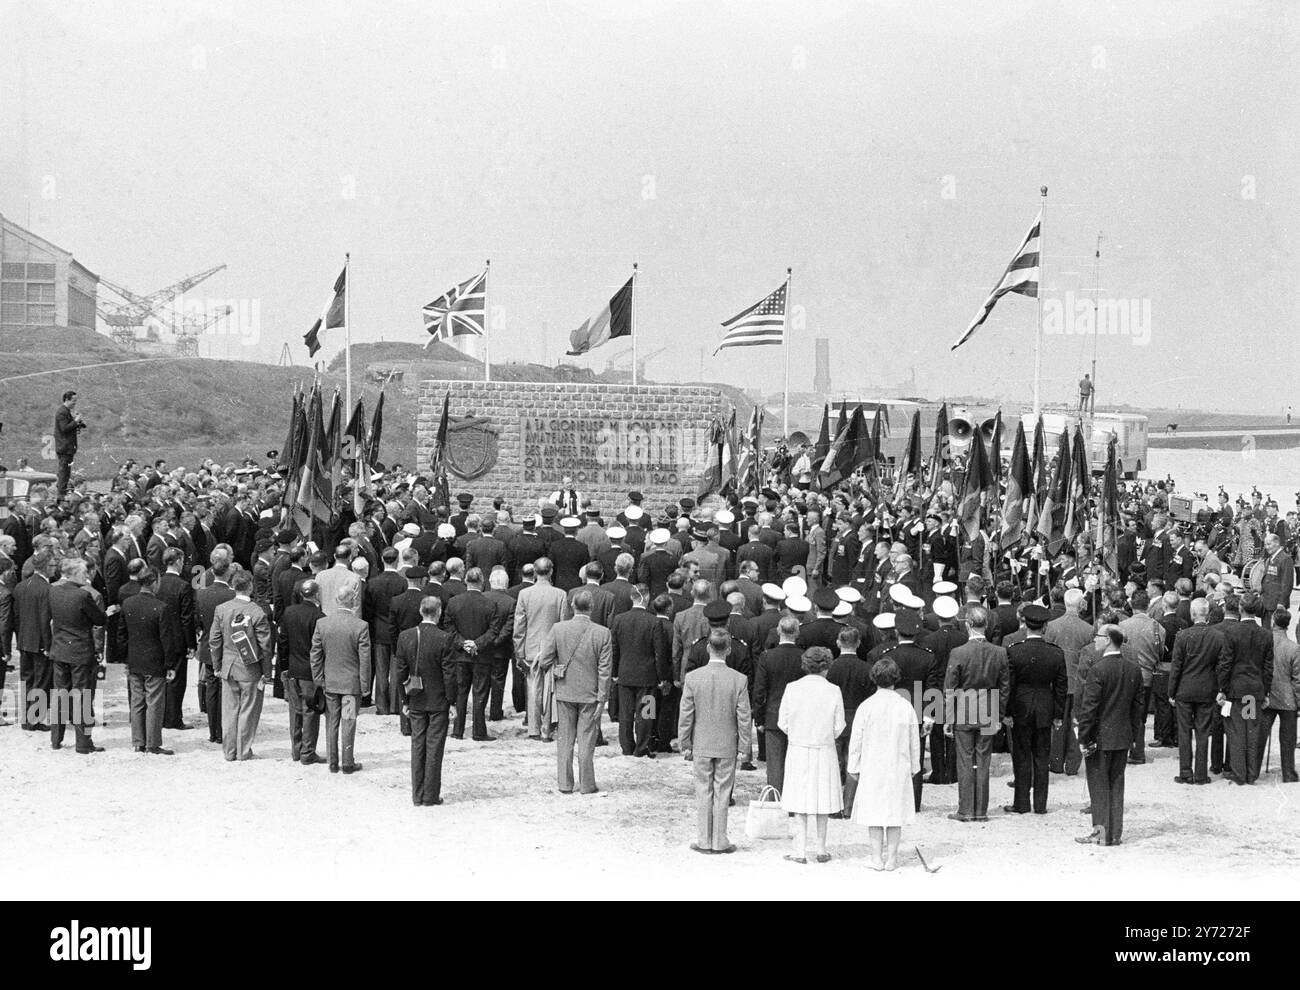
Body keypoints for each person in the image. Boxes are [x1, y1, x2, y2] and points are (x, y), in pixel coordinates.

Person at [678, 628, 752, 855]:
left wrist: (685, 743)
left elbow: (686, 713)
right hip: (727, 745)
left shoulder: (692, 678)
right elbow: (744, 717)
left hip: (701, 743)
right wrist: (744, 747)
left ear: (708, 647)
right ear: (728, 650)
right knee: (723, 791)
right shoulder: (739, 680)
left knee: (703, 790)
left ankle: (703, 839)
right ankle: (720, 840)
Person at [846, 657, 921, 871]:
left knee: (874, 812)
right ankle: (893, 858)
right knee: (895, 812)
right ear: (896, 678)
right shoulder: (905, 706)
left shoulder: (866, 707)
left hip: (872, 766)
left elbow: (856, 740)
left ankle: (876, 857)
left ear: (874, 678)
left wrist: (853, 766)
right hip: (898, 765)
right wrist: (915, 766)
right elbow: (913, 740)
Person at [1076, 624, 1145, 846]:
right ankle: (1115, 833)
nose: (1094, 640)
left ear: (1107, 639)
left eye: (1097, 636)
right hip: (1123, 737)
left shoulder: (1098, 669)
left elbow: (1090, 709)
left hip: (1100, 738)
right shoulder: (1133, 669)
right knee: (1116, 785)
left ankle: (1101, 833)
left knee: (1098, 787)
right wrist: (1134, 735)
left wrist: (1084, 738)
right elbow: (1138, 708)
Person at [777, 646, 844, 864]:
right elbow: (839, 726)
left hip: (798, 749)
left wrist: (798, 734)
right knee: (822, 799)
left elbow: (783, 722)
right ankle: (822, 849)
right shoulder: (833, 690)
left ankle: (799, 851)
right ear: (827, 666)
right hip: (824, 750)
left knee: (800, 801)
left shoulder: (792, 688)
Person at [944, 606, 1010, 823]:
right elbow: (1004, 687)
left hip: (964, 710)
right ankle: (981, 810)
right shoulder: (999, 652)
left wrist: (949, 717)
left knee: (965, 760)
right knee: (983, 760)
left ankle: (966, 810)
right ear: (987, 626)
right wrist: (999, 715)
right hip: (988, 709)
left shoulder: (958, 652)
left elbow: (950, 688)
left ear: (968, 625)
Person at [1003, 604, 1067, 815]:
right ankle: (1040, 804)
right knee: (1042, 756)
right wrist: (1058, 714)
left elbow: (1009, 686)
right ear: (1045, 626)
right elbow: (1061, 686)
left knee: (1021, 757)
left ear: (1025, 623)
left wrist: (1008, 712)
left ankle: (1021, 803)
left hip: (1021, 707)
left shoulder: (1014, 651)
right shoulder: (1055, 653)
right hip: (1045, 707)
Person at [394, 596, 458, 806]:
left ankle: (417, 794)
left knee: (417, 745)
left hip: (415, 698)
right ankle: (430, 795)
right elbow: (449, 674)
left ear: (421, 611)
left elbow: (400, 672)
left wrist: (404, 700)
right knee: (434, 747)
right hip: (438, 700)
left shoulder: (405, 636)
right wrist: (452, 702)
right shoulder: (445, 638)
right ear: (438, 612)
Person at [547, 590, 612, 794]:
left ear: (572, 606)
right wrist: (602, 697)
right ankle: (587, 784)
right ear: (592, 608)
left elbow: (544, 660)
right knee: (586, 741)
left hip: (565, 691)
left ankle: (565, 784)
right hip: (590, 694)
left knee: (565, 740)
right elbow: (605, 670)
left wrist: (557, 667)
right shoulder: (603, 633)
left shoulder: (558, 629)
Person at [208, 570, 273, 761]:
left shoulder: (221, 609)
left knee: (229, 711)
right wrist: (267, 672)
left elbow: (214, 640)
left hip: (228, 666)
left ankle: (229, 751)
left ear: (233, 586)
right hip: (251, 668)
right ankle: (243, 750)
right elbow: (266, 647)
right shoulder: (257, 612)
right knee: (249, 710)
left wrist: (217, 665)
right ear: (250, 586)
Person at [310, 582, 371, 774]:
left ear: (337, 601)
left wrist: (319, 679)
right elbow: (365, 659)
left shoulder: (323, 623)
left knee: (332, 721)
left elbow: (315, 654)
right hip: (351, 685)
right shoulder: (360, 626)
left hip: (331, 682)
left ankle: (332, 762)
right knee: (348, 721)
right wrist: (365, 684)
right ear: (354, 601)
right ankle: (347, 761)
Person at [47, 556, 106, 753]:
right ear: (73, 574)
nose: (86, 576)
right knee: (82, 696)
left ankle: (56, 739)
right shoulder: (82, 596)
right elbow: (99, 618)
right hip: (80, 651)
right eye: (83, 573)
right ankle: (83, 743)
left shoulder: (53, 591)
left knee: (59, 694)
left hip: (60, 649)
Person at [121, 567, 182, 755]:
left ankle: (138, 742)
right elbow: (166, 640)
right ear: (155, 581)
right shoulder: (161, 607)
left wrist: (125, 660)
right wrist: (170, 665)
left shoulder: (128, 603)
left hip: (134, 660)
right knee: (154, 702)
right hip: (155, 662)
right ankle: (153, 743)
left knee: (137, 702)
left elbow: (121, 635)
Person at [1216, 593, 1273, 784]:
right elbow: (1267, 667)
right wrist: (1265, 691)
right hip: (1254, 691)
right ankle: (1251, 773)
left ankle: (1239, 774)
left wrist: (1222, 688)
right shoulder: (1266, 634)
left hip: (1236, 690)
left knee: (1237, 732)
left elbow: (1225, 664)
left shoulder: (1232, 633)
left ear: (1240, 608)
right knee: (1252, 732)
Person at [609, 583, 671, 757]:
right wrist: (661, 677)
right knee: (646, 713)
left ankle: (627, 747)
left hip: (625, 674)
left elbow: (614, 649)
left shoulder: (619, 620)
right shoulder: (654, 621)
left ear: (631, 597)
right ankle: (642, 746)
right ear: (648, 597)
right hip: (648, 677)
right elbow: (659, 653)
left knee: (625, 714)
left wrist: (614, 673)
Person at [513, 557, 567, 742]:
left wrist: (519, 652)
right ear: (551, 571)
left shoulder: (524, 594)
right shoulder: (560, 594)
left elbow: (519, 627)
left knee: (533, 688)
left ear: (535, 572)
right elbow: (562, 624)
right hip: (552, 647)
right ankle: (547, 729)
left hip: (532, 647)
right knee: (551, 690)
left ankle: (534, 729)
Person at [753, 615, 805, 791]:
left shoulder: (767, 657)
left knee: (774, 765)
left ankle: (774, 800)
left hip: (773, 715)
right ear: (797, 633)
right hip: (798, 716)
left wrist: (759, 719)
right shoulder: (803, 656)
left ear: (778, 631)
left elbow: (760, 690)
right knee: (796, 762)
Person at [278, 579, 326, 764]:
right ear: (316, 594)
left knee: (295, 711)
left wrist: (284, 667)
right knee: (310, 712)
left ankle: (296, 750)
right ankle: (307, 752)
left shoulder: (289, 612)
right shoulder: (319, 616)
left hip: (293, 669)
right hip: (310, 672)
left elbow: (282, 642)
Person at [195, 549, 236, 744]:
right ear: (227, 573)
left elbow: (198, 620)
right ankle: (224, 729)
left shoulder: (202, 593)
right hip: (227, 647)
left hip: (208, 646)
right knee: (225, 689)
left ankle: (213, 731)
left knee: (211, 688)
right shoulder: (232, 594)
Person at [13, 549, 54, 731]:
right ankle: (34, 719)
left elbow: (16, 616)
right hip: (39, 643)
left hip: (24, 640)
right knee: (42, 682)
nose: (55, 569)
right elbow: (45, 620)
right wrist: (47, 645)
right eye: (52, 565)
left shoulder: (21, 586)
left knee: (27, 679)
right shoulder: (47, 589)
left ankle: (26, 717)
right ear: (45, 567)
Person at [1257, 608, 1300, 782]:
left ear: (1273, 622)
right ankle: (1288, 773)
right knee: (1288, 740)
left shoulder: (1263, 642)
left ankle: (1252, 770)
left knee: (1260, 736)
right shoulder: (1294, 648)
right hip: (1288, 699)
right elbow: (1297, 680)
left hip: (1267, 697)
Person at [156, 549, 196, 730]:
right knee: (177, 682)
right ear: (178, 561)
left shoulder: (158, 583)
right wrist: (191, 644)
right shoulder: (183, 585)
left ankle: (161, 716)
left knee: (160, 679)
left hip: (159, 636)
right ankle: (173, 718)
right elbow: (186, 618)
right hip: (178, 639)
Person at [54, 390, 87, 500]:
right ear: (67, 399)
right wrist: (75, 421)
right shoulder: (62, 412)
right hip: (65, 448)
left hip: (68, 448)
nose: (75, 403)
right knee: (64, 473)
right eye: (73, 401)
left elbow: (71, 426)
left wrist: (78, 422)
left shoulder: (67, 411)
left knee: (66, 473)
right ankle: (61, 497)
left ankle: (62, 495)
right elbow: (64, 428)